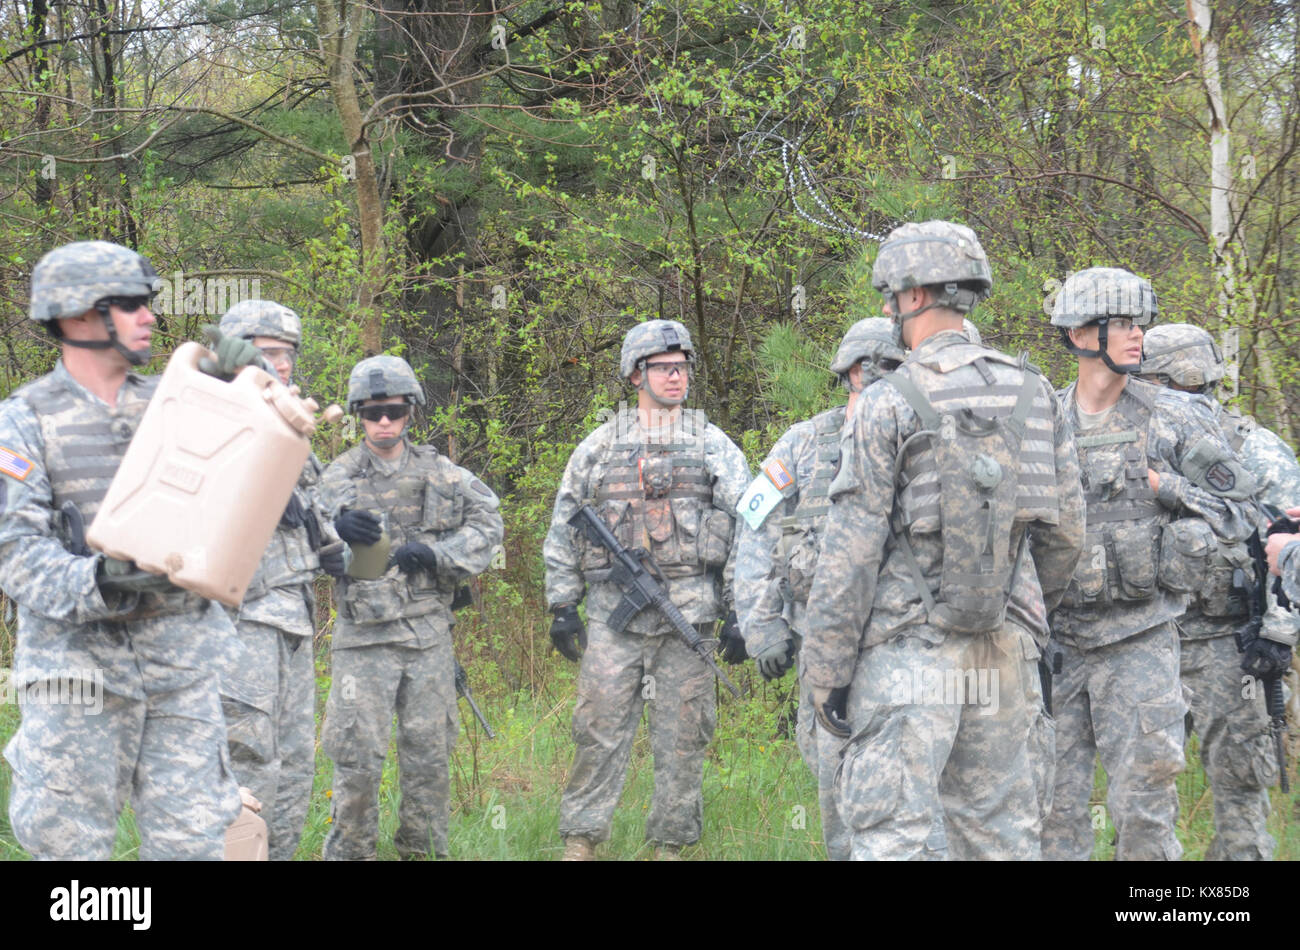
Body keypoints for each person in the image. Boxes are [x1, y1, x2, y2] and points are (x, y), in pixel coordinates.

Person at [799, 220, 1085, 860]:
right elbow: (1065, 537)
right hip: (1004, 653)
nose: (887, 308)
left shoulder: (886, 402)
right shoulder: (1037, 394)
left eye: (891, 295)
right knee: (1003, 837)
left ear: (915, 295)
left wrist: (826, 672)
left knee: (893, 837)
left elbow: (849, 558)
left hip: (907, 655)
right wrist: (1022, 620)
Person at [0, 240, 254, 858]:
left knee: (193, 846)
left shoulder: (178, 404)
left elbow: (253, 491)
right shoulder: (23, 420)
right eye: (133, 305)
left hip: (181, 671)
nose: (150, 318)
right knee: (72, 857)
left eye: (150, 304)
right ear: (78, 316)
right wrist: (102, 580)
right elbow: (15, 554)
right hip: (77, 681)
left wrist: (251, 390)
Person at [1042, 269, 1256, 860]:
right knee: (1052, 815)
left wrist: (1167, 487)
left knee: (1143, 813)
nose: (1139, 336)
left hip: (1140, 642)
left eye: (1142, 324)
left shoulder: (1176, 417)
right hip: (1057, 650)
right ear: (1084, 333)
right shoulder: (1043, 422)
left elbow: (1243, 515)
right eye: (1124, 324)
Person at [544, 319, 750, 860]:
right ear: (636, 374)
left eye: (683, 367)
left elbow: (748, 526)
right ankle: (581, 840)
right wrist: (563, 604)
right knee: (597, 731)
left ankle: (670, 847)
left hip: (689, 621)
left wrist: (740, 611)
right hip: (615, 623)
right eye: (665, 367)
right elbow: (566, 522)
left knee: (683, 740)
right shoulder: (599, 446)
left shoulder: (712, 445)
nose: (677, 376)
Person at [318, 354, 503, 860]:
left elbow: (490, 526)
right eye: (373, 413)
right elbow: (293, 545)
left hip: (427, 640)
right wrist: (333, 533)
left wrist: (439, 555)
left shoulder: (442, 473)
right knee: (356, 766)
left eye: (395, 412)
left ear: (411, 412)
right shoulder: (335, 479)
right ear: (358, 414)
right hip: (363, 640)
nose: (384, 422)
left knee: (428, 765)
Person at [733, 316, 904, 861]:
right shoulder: (804, 444)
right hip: (821, 645)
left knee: (906, 790)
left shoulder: (921, 438)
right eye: (882, 370)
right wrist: (761, 627)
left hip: (903, 644)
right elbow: (756, 533)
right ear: (854, 372)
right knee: (833, 781)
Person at [1140, 322, 1299, 859]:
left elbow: (1287, 546)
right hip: (1144, 637)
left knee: (1239, 789)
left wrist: (1276, 636)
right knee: (1141, 788)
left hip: (1230, 645)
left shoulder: (1255, 449)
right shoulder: (1133, 445)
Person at [214, 299, 346, 860]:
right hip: (237, 621)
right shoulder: (209, 422)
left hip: (292, 619)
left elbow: (306, 517)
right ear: (233, 359)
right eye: (265, 353)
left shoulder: (294, 434)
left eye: (287, 355)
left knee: (294, 767)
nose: (279, 366)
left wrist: (339, 542)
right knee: (247, 766)